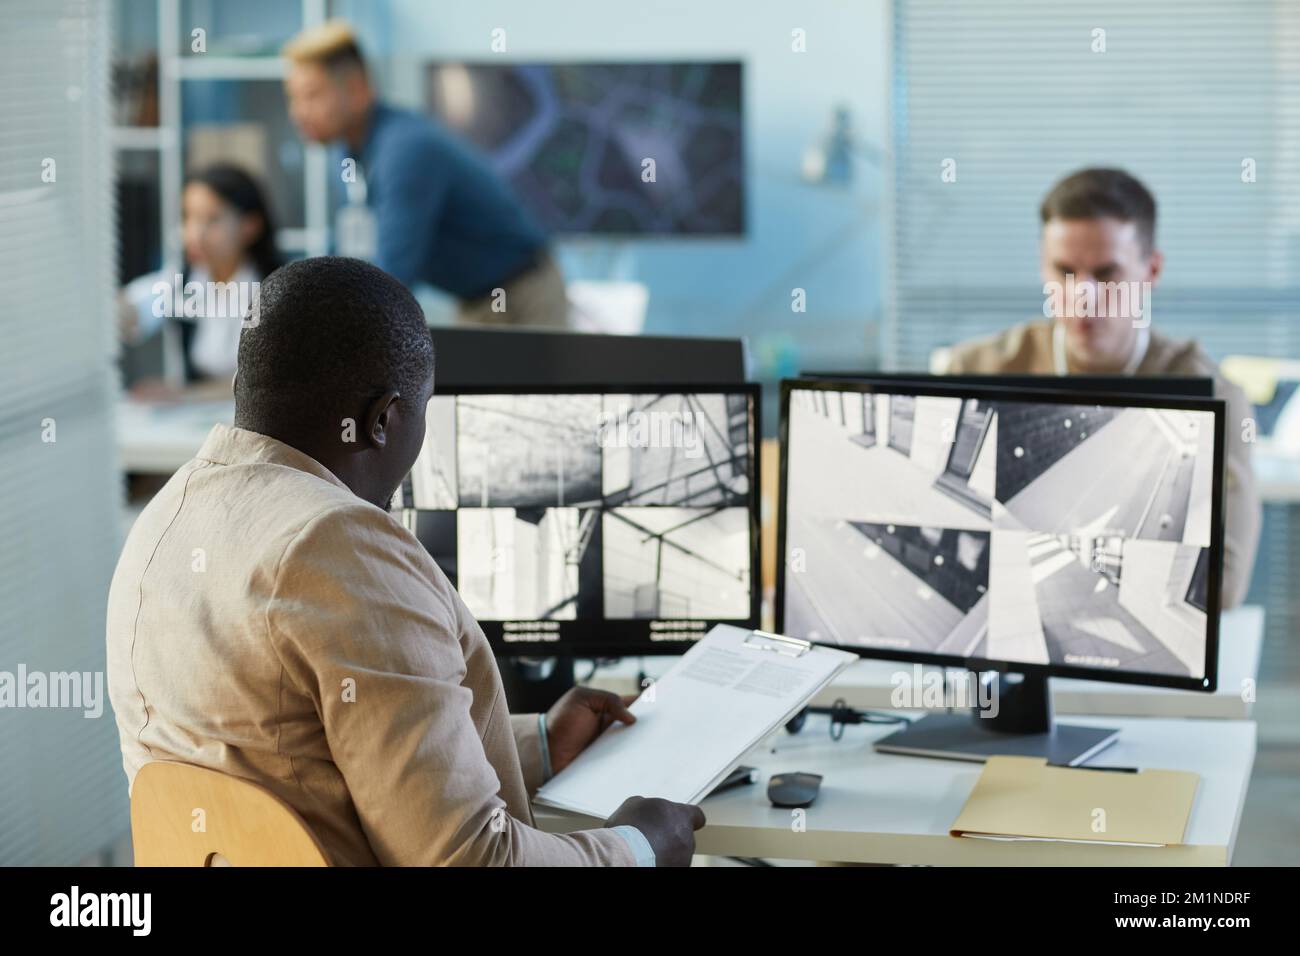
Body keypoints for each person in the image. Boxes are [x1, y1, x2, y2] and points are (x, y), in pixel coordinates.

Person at [106, 256, 703, 865]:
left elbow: (305, 765)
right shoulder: (337, 543)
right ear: (382, 420)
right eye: (425, 407)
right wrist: (638, 845)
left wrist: (541, 744)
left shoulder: (166, 519)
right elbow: (470, 860)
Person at [945, 167, 1261, 607]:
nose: (1082, 296)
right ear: (1042, 265)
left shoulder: (1211, 395)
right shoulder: (975, 368)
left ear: (1151, 271)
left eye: (1106, 274)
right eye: (1064, 271)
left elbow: (1220, 585)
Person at [281, 21, 569, 328]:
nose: (298, 112)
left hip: (523, 294)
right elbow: (348, 248)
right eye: (293, 98)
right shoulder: (349, 155)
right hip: (474, 300)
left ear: (356, 90)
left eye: (312, 95)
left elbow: (392, 278)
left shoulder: (406, 150)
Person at [119, 163, 283, 397]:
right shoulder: (186, 281)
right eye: (188, 218)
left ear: (250, 226)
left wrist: (181, 395)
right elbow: (132, 309)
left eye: (212, 220)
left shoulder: (278, 290)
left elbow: (266, 384)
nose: (194, 234)